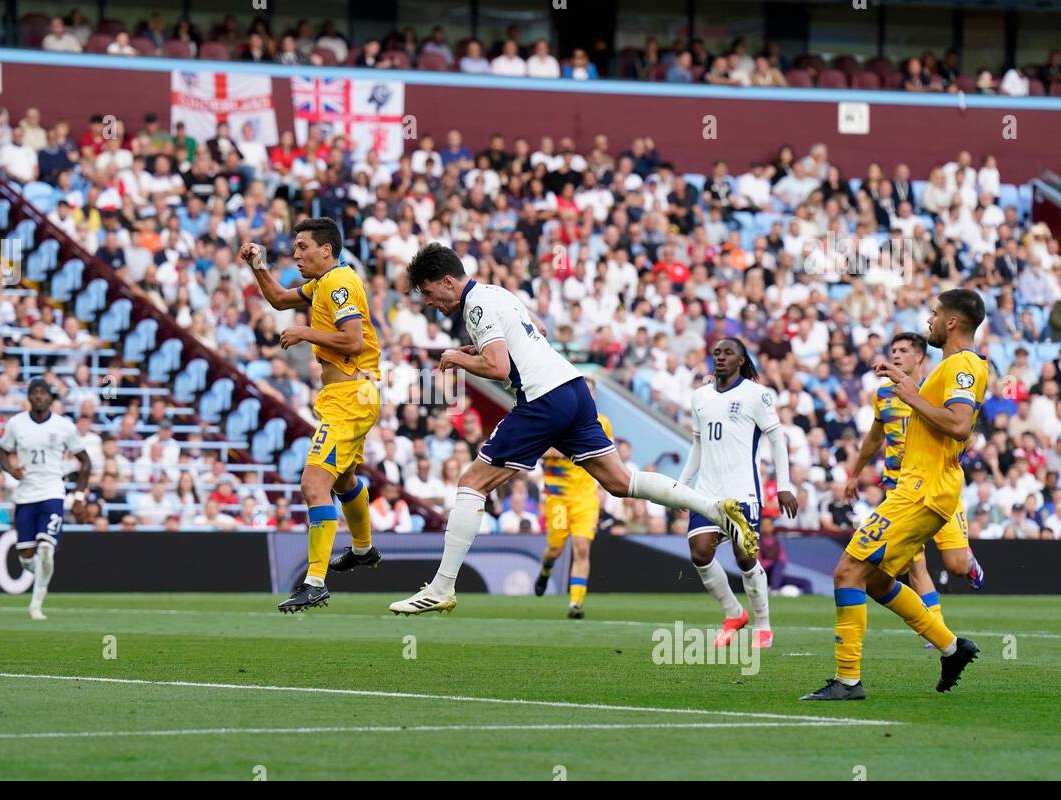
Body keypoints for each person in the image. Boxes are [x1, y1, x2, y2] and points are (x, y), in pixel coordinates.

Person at [387, 243, 757, 615]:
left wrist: (456, 358)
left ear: (448, 282)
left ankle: (442, 587)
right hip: (574, 388)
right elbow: (539, 329)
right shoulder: (496, 292)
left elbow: (499, 369)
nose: (432, 304)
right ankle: (715, 507)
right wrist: (479, 349)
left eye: (431, 294)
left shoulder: (477, 306)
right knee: (619, 481)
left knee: (472, 483)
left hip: (542, 398)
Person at [803, 289, 986, 701]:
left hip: (922, 491)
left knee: (847, 572)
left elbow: (958, 425)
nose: (930, 321)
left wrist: (913, 396)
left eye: (936, 314)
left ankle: (847, 681)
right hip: (917, 488)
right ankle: (952, 649)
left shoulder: (964, 365)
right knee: (876, 579)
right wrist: (908, 385)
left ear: (953, 322)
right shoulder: (948, 367)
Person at [239, 217, 382, 612]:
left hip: (351, 393)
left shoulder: (338, 283)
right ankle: (363, 549)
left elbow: (352, 340)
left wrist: (305, 333)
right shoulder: (323, 283)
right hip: (351, 393)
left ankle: (314, 582)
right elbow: (281, 300)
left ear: (326, 250)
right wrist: (258, 266)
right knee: (343, 479)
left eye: (303, 247)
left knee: (313, 484)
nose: (296, 254)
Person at [846, 331, 985, 639]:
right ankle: (938, 633)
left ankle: (969, 562)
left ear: (920, 357)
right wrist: (853, 474)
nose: (895, 355)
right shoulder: (883, 395)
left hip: (936, 485)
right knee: (915, 564)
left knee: (957, 565)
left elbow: (961, 427)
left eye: (904, 350)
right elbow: (873, 439)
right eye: (893, 349)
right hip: (899, 488)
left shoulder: (936, 391)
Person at [681, 338, 796, 649]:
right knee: (699, 553)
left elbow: (776, 439)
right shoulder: (700, 396)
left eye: (728, 353)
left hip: (742, 491)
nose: (720, 357)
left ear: (742, 360)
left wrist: (784, 485)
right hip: (706, 491)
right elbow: (698, 445)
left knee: (745, 558)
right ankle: (733, 613)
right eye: (717, 353)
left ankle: (763, 625)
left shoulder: (757, 395)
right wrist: (681, 484)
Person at [0, 378, 91, 620]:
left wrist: (79, 496)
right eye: (34, 392)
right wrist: (12, 470)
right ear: (29, 397)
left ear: (51, 397)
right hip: (26, 495)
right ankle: (41, 576)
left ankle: (36, 604)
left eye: (43, 393)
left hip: (52, 493)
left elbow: (86, 461)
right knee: (27, 558)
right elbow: (2, 452)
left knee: (47, 549)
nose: (39, 396)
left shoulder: (64, 426)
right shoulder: (16, 424)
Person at [535, 378, 611, 618]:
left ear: (594, 397)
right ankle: (546, 569)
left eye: (591, 392)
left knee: (581, 548)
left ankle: (575, 603)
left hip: (586, 497)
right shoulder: (555, 418)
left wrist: (604, 486)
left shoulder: (602, 423)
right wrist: (556, 451)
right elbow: (536, 448)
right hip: (557, 498)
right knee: (555, 549)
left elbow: (605, 455)